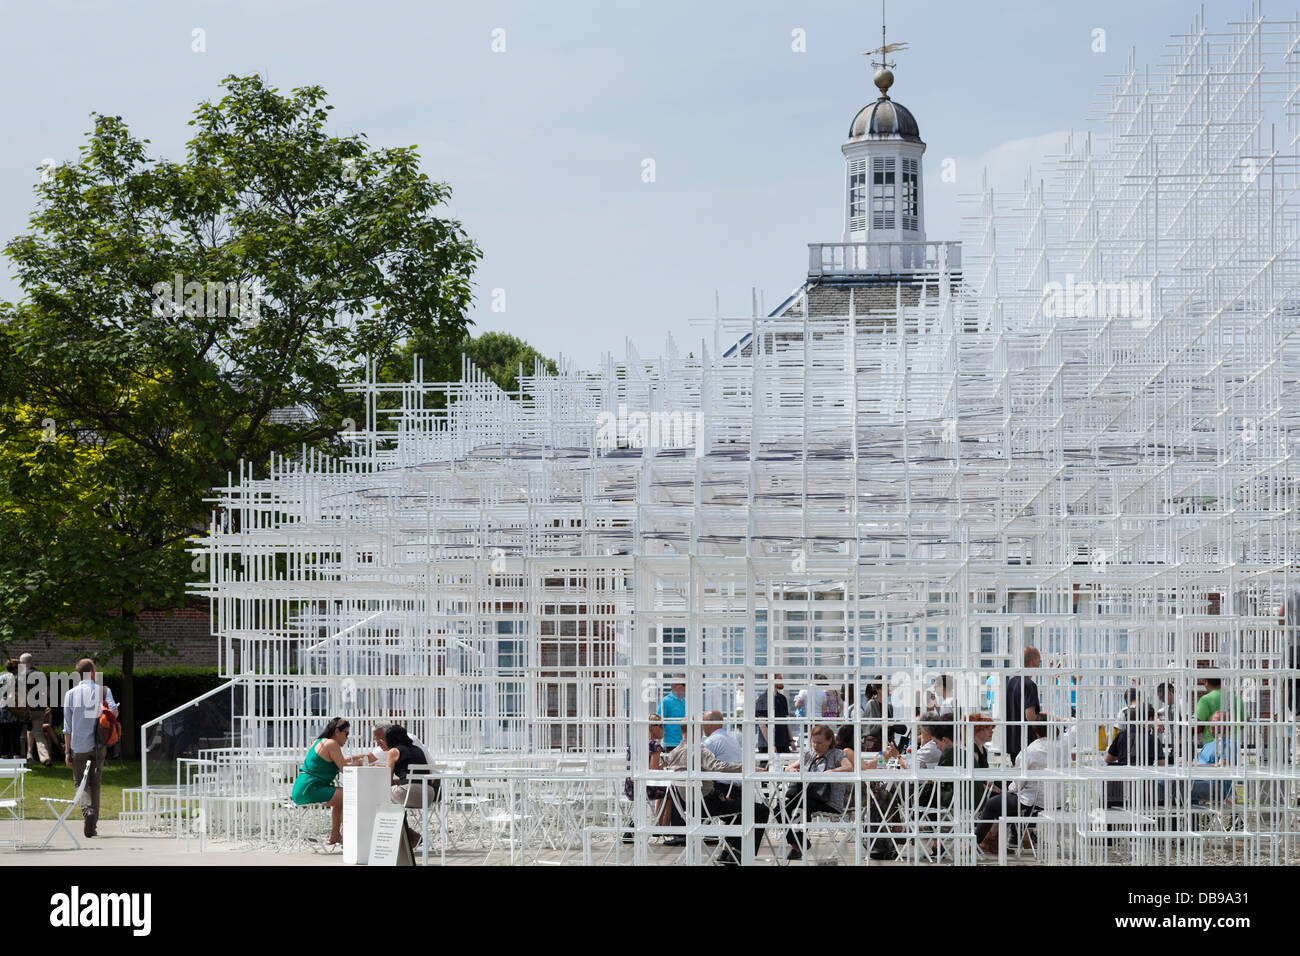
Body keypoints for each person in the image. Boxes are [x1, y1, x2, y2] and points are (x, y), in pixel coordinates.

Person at [659, 738, 769, 860]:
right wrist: (746, 767)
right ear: (699, 729)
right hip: (708, 806)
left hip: (690, 808)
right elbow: (718, 766)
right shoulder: (700, 751)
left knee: (739, 813)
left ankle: (730, 853)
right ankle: (738, 855)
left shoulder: (674, 753)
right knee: (761, 810)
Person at [60, 659, 118, 838]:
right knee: (96, 783)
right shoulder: (103, 690)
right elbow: (114, 712)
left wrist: (67, 751)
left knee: (81, 783)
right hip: (99, 744)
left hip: (79, 745)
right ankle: (93, 826)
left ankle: (88, 812)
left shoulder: (70, 694)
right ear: (92, 672)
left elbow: (67, 727)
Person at [976, 714, 1049, 852]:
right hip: (1052, 800)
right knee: (1003, 802)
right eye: (987, 728)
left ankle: (983, 839)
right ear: (977, 730)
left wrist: (1009, 789)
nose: (991, 731)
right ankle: (996, 839)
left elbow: (1018, 783)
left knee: (1000, 803)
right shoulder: (1060, 747)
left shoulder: (1029, 752)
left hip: (1032, 799)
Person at [780, 724, 853, 861]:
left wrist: (831, 772)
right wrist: (791, 770)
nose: (815, 745)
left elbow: (849, 767)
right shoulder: (809, 755)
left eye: (819, 742)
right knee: (780, 809)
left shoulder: (837, 754)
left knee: (798, 807)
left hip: (828, 800)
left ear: (830, 741)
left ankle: (798, 844)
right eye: (813, 741)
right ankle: (798, 842)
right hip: (806, 797)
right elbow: (788, 767)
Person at [291, 717, 368, 846]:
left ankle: (335, 834)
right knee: (351, 795)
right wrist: (359, 764)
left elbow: (336, 763)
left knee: (341, 798)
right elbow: (344, 768)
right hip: (310, 788)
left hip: (303, 787)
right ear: (337, 732)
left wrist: (353, 763)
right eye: (346, 733)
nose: (347, 737)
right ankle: (349, 836)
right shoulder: (331, 744)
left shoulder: (318, 741)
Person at [1004, 646, 1041, 764]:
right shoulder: (1029, 685)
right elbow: (1030, 716)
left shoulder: (1011, 682)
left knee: (1017, 779)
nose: (1040, 663)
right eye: (1039, 660)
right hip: (1027, 741)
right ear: (1033, 661)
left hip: (1012, 740)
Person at [1190, 711, 1236, 805]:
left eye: (1218, 724)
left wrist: (1197, 766)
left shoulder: (1229, 743)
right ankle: (1189, 817)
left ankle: (1188, 817)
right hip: (1201, 782)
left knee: (1184, 786)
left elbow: (1222, 765)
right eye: (1212, 723)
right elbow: (1197, 767)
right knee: (1174, 784)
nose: (1213, 726)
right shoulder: (1207, 746)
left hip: (1218, 787)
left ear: (1227, 726)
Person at [754, 674, 793, 753]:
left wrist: (791, 740)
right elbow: (762, 724)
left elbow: (787, 720)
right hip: (767, 745)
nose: (782, 681)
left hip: (783, 743)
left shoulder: (782, 698)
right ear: (772, 680)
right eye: (780, 679)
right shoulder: (763, 699)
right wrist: (771, 744)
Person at [0, 660, 22, 759]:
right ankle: (16, 757)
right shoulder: (18, 679)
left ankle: (4, 757)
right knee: (15, 736)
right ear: (16, 668)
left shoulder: (1, 678)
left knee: (4, 736)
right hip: (15, 710)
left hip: (3, 710)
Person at [659, 681, 686, 751]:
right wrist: (659, 743)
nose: (685, 687)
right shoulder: (665, 701)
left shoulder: (686, 701)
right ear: (674, 685)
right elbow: (658, 722)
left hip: (686, 742)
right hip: (670, 743)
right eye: (684, 684)